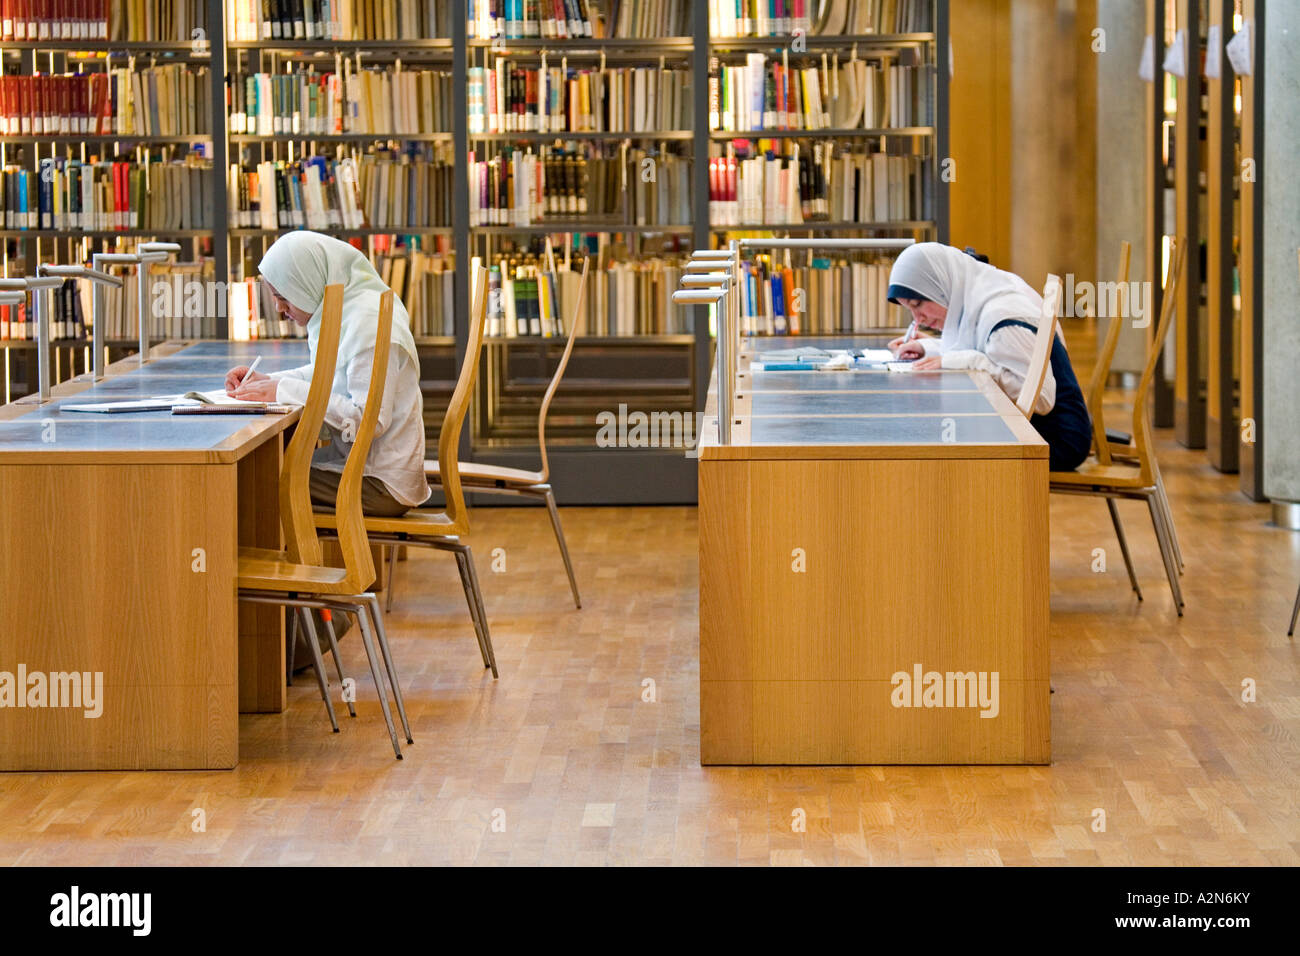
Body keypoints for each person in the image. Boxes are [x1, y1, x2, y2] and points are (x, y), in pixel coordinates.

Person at [224, 231, 431, 516]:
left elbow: (365, 422)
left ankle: (289, 561)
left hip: (379, 484)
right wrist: (270, 383)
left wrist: (283, 391)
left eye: (284, 296)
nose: (279, 308)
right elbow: (330, 375)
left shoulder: (367, 327)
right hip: (369, 471)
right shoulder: (355, 311)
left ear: (306, 283)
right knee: (262, 469)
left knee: (251, 479)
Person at [885, 242, 1092, 472]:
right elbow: (983, 348)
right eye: (909, 310)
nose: (918, 318)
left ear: (941, 285)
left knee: (935, 438)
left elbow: (1040, 399)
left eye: (918, 304)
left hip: (1058, 438)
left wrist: (965, 361)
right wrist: (928, 348)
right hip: (1035, 430)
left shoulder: (1001, 317)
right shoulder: (981, 291)